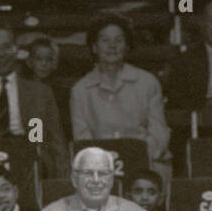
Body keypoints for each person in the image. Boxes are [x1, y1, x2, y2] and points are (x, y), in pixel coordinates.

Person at [70, 14, 172, 185]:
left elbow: (159, 134)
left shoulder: (148, 82)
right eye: (105, 40)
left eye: (118, 40)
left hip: (145, 164)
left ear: (126, 46)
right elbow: (82, 140)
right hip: (100, 169)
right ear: (94, 47)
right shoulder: (80, 90)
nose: (112, 46)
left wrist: (134, 156)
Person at [0, 19, 69, 179]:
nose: (0, 54)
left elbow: (54, 141)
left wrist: (63, 182)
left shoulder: (39, 93)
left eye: (6, 47)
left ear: (16, 50)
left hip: (30, 160)